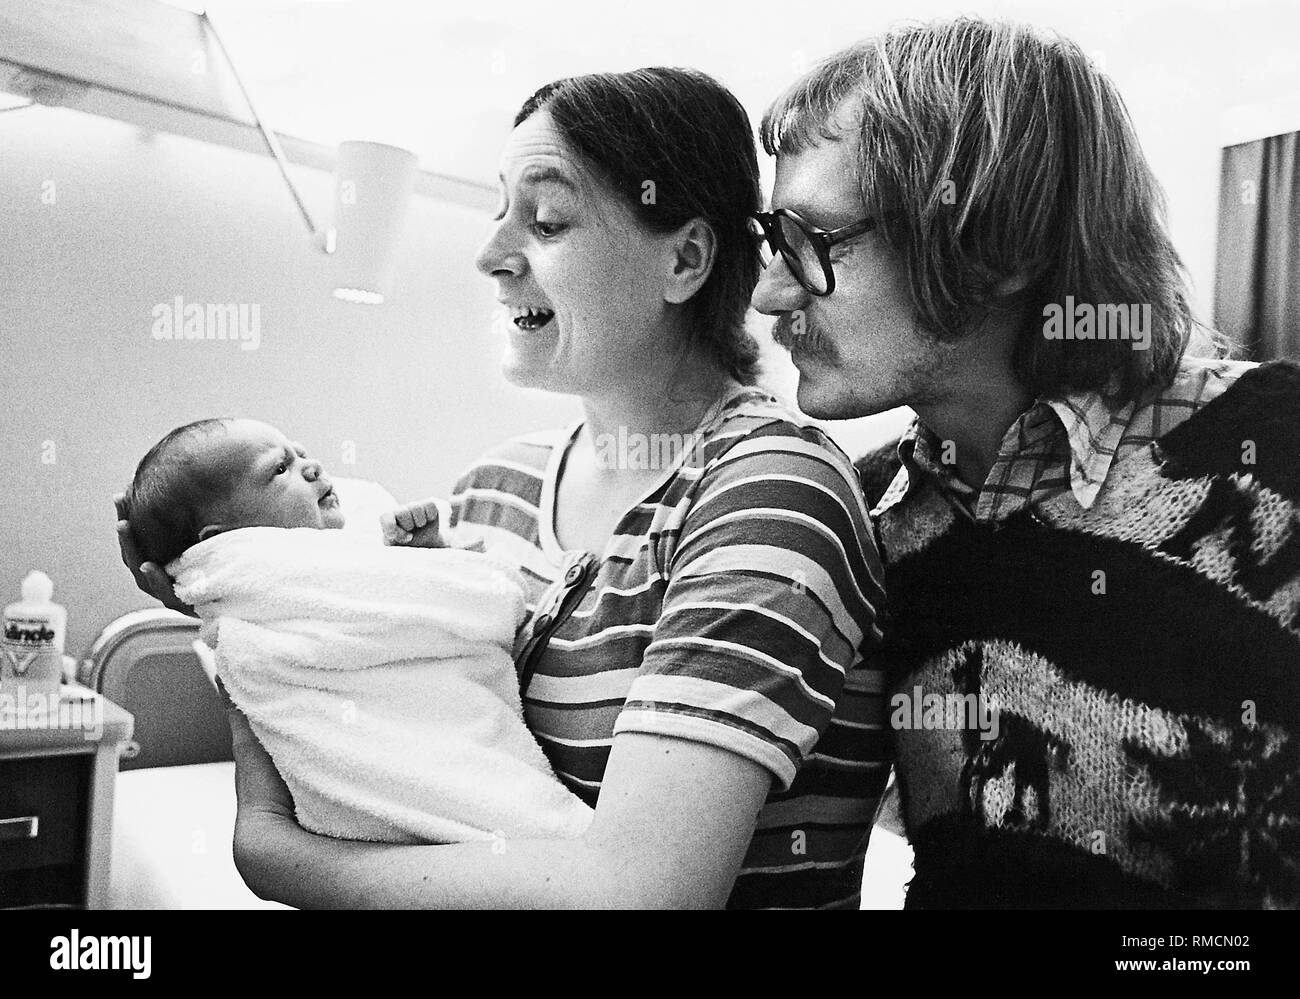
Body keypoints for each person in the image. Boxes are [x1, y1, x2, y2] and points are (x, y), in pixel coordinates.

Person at [117, 67, 888, 909]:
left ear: (686, 258)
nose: (490, 255)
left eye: (547, 220)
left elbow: (645, 894)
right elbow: (361, 699)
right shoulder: (494, 488)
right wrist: (243, 606)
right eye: (498, 212)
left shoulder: (770, 491)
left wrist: (274, 852)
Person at [752, 17, 1300, 907]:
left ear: (992, 242)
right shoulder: (867, 516)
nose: (771, 292)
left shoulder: (1277, 453)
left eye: (814, 242)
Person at [123, 416, 593, 845]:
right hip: (369, 793)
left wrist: (431, 556)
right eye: (279, 469)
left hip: (467, 745)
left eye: (301, 452)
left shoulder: (362, 545)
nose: (311, 467)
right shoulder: (253, 603)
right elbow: (482, 601)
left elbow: (470, 609)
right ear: (224, 541)